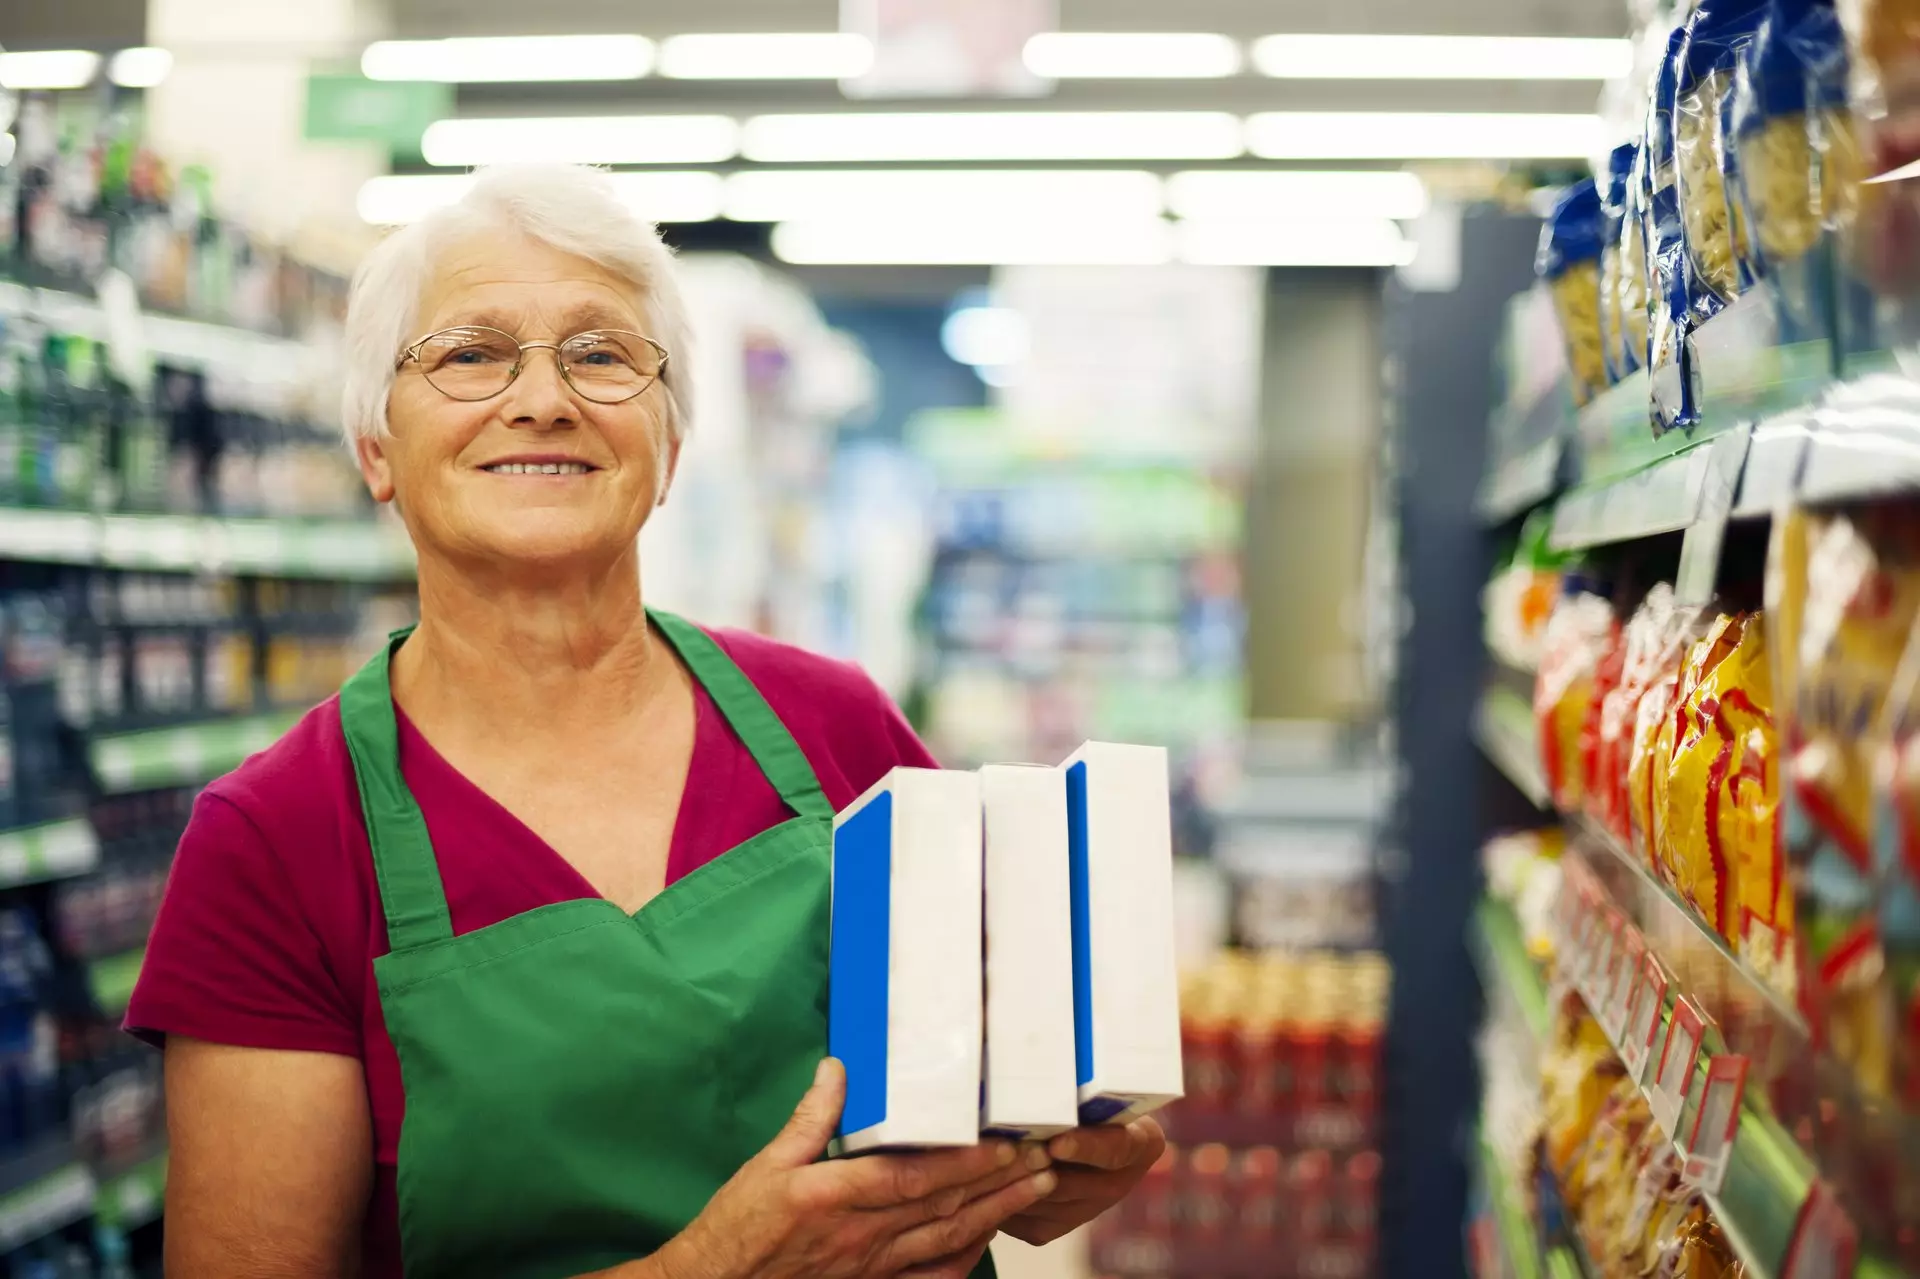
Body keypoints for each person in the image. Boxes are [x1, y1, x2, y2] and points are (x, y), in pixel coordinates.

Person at [125, 163, 1165, 1279]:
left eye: (602, 354)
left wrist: (1056, 1157)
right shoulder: (277, 839)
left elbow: (1006, 1091)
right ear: (376, 445)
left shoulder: (840, 731)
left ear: (668, 447)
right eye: (470, 353)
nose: (544, 398)